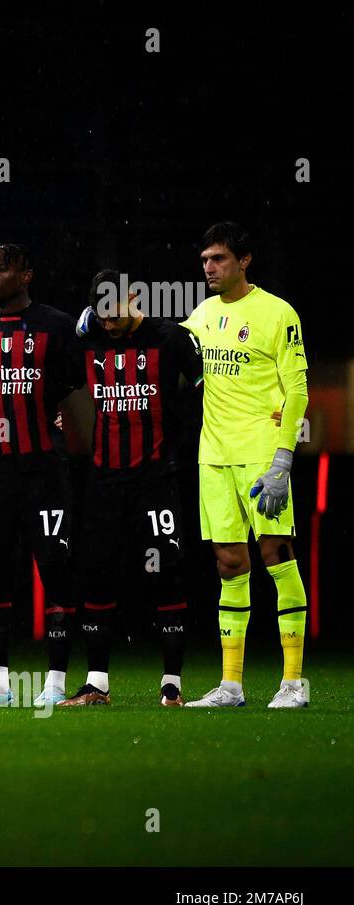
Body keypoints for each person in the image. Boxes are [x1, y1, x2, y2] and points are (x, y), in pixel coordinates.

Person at [179, 223, 310, 708]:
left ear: (244, 260)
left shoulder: (278, 313)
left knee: (277, 554)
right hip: (213, 457)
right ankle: (231, 686)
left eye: (219, 259)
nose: (209, 268)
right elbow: (167, 349)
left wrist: (282, 461)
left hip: (261, 456)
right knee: (229, 564)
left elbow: (296, 389)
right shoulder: (202, 313)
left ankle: (293, 682)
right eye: (205, 260)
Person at [0, 245, 83, 707]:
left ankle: (56, 684)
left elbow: (72, 379)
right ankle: (0, 684)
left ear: (26, 275)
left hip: (45, 471)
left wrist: (41, 411)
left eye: (1, 267)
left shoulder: (58, 326)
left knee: (56, 570)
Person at [63, 270, 202, 706]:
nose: (108, 324)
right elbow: (52, 373)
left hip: (155, 480)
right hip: (104, 480)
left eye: (114, 314)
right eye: (100, 317)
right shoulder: (88, 336)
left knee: (165, 574)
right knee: (97, 576)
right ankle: (96, 684)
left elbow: (205, 392)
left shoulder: (172, 339)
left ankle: (172, 686)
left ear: (135, 297)